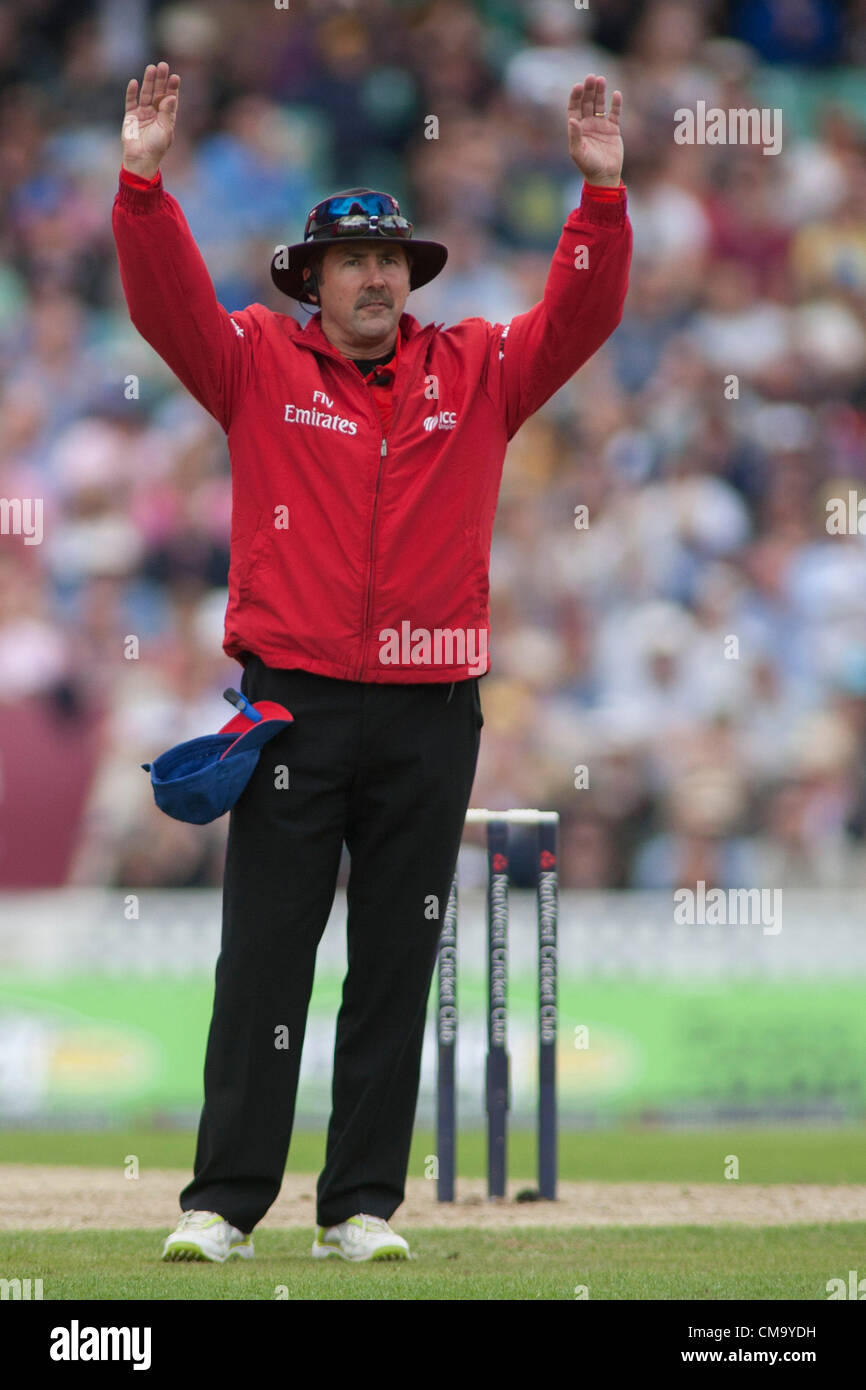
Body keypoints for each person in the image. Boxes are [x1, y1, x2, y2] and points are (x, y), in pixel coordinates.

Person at [113, 62, 632, 1265]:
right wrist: (141, 185)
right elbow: (163, 307)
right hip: (294, 706)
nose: (377, 275)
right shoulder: (253, 362)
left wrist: (598, 201)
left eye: (391, 259)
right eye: (353, 261)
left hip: (432, 710)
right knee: (263, 964)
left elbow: (583, 320)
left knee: (395, 962)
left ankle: (358, 1207)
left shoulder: (478, 371)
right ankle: (222, 1204)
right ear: (311, 280)